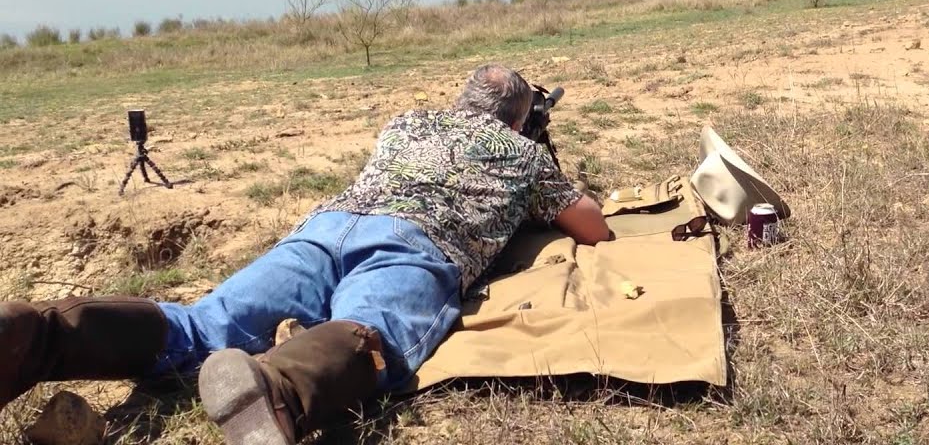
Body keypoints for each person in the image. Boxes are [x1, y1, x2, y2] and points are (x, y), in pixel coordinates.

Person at [0, 64, 611, 445]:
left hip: (325, 230)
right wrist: (535, 157)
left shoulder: (406, 124)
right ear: (520, 117)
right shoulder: (524, 154)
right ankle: (274, 389)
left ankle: (42, 334)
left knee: (201, 323)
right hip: (415, 244)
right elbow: (591, 229)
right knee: (367, 335)